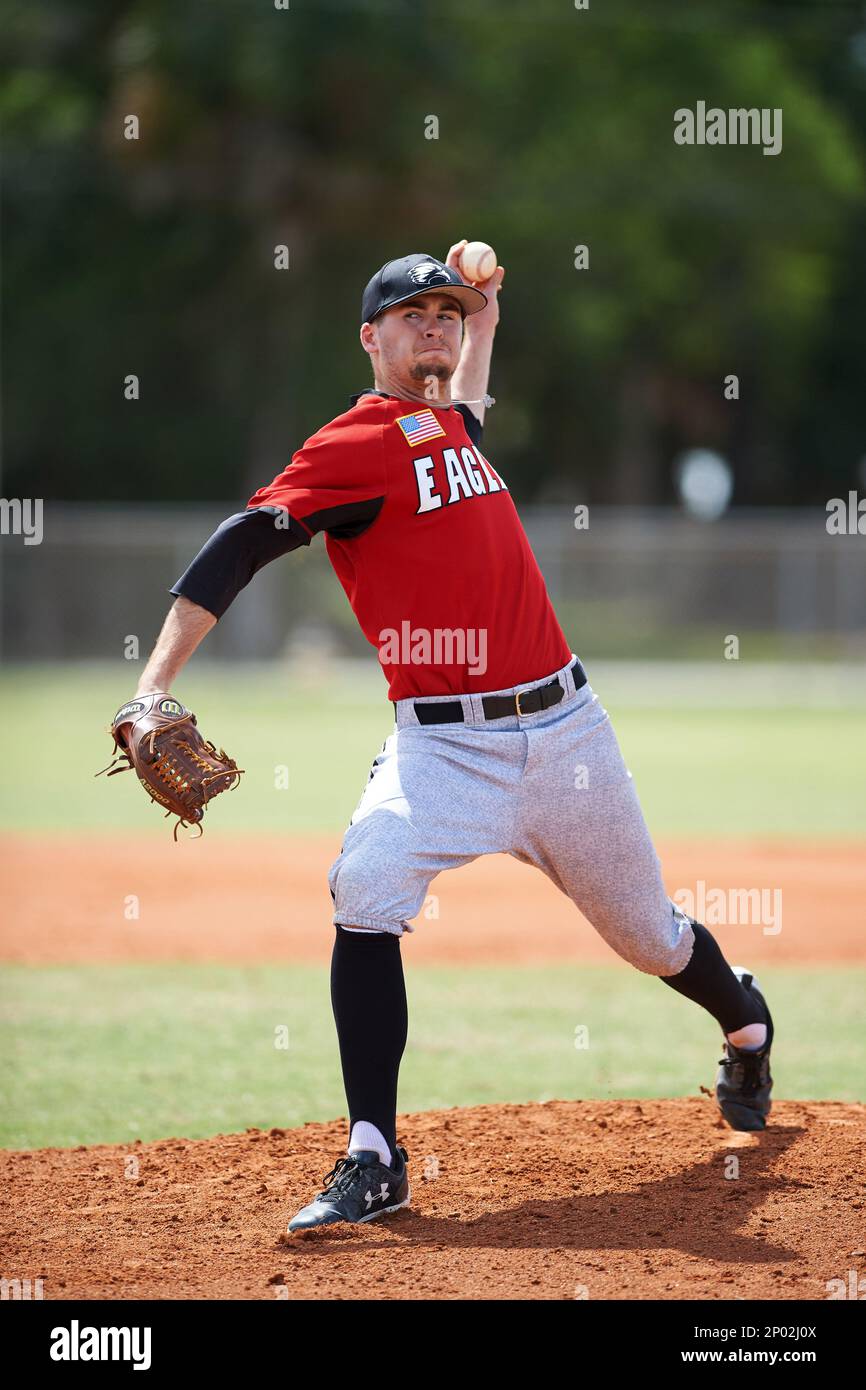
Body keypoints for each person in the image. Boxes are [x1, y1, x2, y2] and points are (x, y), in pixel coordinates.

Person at [130, 243, 774, 1235]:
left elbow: (469, 387)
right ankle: (374, 1154)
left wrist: (490, 310)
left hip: (566, 735)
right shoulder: (353, 443)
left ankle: (745, 1021)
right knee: (365, 883)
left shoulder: (450, 422)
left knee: (649, 935)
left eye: (446, 310)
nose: (434, 322)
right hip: (443, 750)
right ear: (370, 337)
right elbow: (245, 540)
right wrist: (153, 682)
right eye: (411, 312)